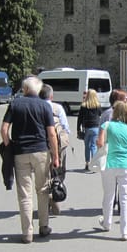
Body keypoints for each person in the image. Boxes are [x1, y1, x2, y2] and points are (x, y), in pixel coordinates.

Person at [0, 76, 60, 243]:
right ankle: (44, 226)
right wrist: (55, 156)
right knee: (42, 190)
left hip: (20, 152)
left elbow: (4, 129)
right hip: (41, 151)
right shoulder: (44, 106)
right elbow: (52, 133)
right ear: (39, 90)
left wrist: (9, 145)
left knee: (24, 194)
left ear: (25, 89)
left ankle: (27, 232)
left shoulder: (15, 104)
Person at [96, 102, 127, 240]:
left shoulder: (107, 126)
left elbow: (100, 143)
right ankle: (125, 231)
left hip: (109, 164)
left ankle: (107, 223)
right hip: (126, 165)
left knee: (109, 194)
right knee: (125, 198)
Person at [40, 83, 70, 215]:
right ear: (51, 96)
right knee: (59, 172)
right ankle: (56, 193)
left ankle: (46, 200)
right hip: (58, 144)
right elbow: (66, 128)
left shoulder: (37, 107)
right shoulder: (58, 108)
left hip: (41, 144)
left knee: (44, 173)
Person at [77, 89, 102, 172]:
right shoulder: (98, 105)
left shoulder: (84, 106)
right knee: (93, 146)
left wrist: (78, 129)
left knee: (87, 146)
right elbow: (100, 115)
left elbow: (80, 118)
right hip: (96, 127)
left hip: (87, 128)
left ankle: (87, 163)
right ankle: (94, 164)